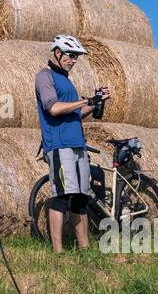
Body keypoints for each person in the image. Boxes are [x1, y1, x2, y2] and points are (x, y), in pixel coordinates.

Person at [34, 35, 112, 252]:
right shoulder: (45, 76)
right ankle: (58, 251)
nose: (74, 60)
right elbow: (54, 108)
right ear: (57, 53)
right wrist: (86, 100)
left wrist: (96, 101)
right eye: (71, 55)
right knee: (61, 196)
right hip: (59, 145)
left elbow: (76, 113)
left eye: (76, 56)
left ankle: (84, 248)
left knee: (80, 198)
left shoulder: (67, 81)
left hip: (77, 144)